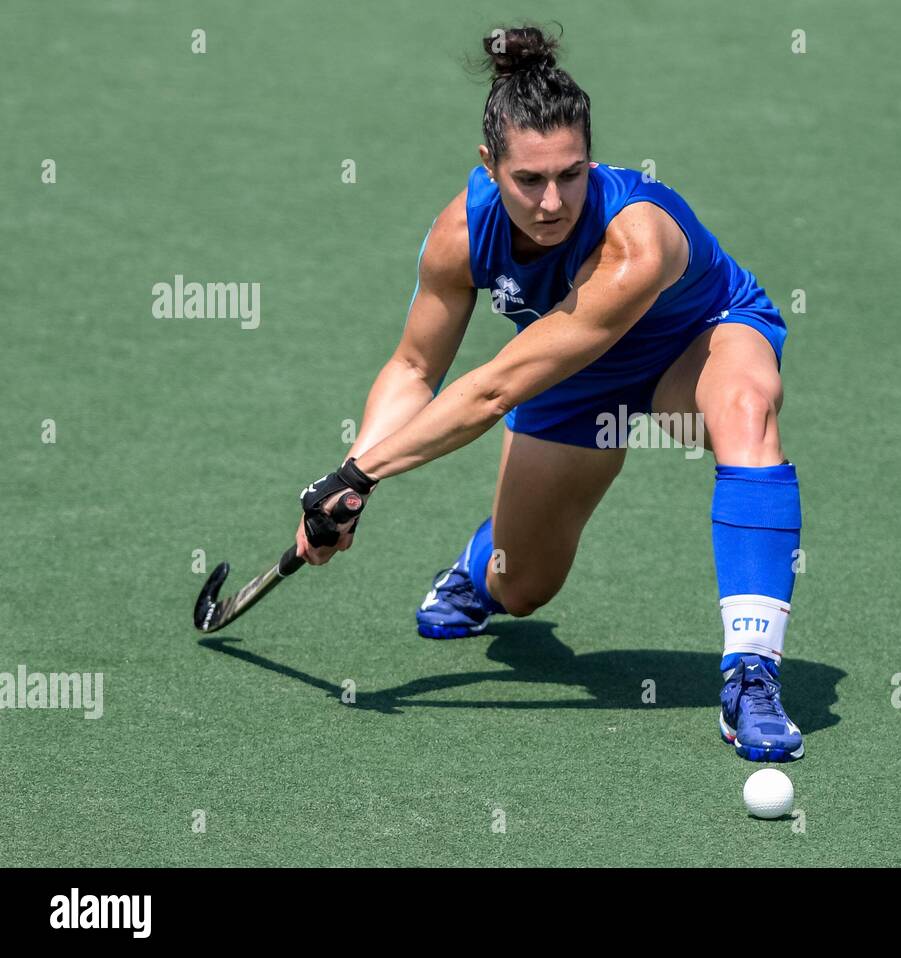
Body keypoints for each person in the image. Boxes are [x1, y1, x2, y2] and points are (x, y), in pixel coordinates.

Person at [294, 25, 805, 762]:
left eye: (569, 175)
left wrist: (358, 476)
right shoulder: (460, 236)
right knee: (524, 586)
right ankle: (478, 566)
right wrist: (346, 489)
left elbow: (493, 388)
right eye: (528, 180)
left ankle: (750, 676)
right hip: (577, 379)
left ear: (589, 163)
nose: (551, 201)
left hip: (695, 348)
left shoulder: (637, 242)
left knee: (744, 409)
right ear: (489, 167)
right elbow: (412, 370)